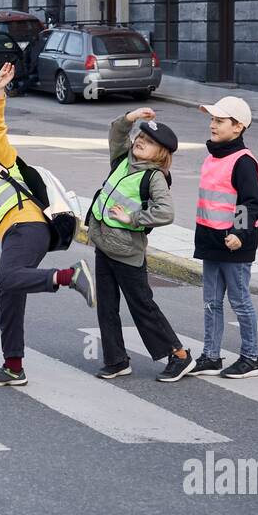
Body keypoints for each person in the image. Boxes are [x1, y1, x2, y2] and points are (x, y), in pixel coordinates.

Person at [0, 61, 95, 387]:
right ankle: (13, 367)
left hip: (29, 228)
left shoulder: (1, 156)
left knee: (6, 276)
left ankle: (71, 275)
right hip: (15, 233)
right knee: (9, 291)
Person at [87, 108, 196, 382]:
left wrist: (132, 217)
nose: (139, 141)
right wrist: (131, 117)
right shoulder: (123, 159)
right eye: (140, 136)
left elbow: (166, 212)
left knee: (142, 306)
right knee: (106, 306)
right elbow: (117, 131)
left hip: (127, 252)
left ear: (160, 153)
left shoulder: (154, 177)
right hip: (103, 244)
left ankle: (179, 355)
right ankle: (116, 360)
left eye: (148, 141)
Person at [191, 96, 258, 379]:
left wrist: (239, 233)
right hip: (210, 241)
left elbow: (251, 202)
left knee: (240, 301)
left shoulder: (243, 161)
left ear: (238, 128)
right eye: (212, 119)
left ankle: (251, 357)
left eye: (219, 121)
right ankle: (211, 356)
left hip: (234, 244)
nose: (212, 125)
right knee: (211, 302)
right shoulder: (212, 157)